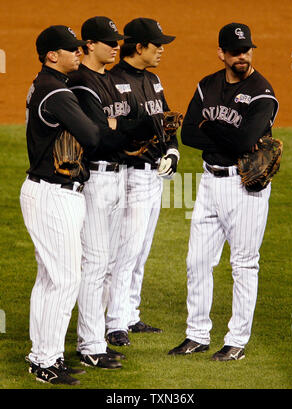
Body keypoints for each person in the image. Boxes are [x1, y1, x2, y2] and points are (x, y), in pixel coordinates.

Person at [168, 23, 279, 361]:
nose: (242, 56)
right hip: (208, 183)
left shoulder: (262, 93)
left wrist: (211, 126)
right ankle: (197, 334)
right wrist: (223, 134)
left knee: (244, 264)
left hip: (244, 186)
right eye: (234, 51)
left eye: (246, 50)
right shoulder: (207, 86)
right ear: (222, 53)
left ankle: (237, 341)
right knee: (196, 260)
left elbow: (245, 142)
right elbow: (188, 135)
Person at [20, 24, 120, 386]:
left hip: (48, 191)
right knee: (64, 279)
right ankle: (47, 359)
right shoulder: (56, 92)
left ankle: (41, 355)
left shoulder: (47, 85)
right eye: (72, 49)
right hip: (54, 194)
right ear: (52, 55)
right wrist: (104, 124)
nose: (79, 52)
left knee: (49, 279)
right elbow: (94, 136)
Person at [68, 16, 155, 364]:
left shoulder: (108, 80)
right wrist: (132, 129)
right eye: (109, 41)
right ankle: (89, 346)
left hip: (118, 177)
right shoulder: (82, 82)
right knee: (94, 264)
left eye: (117, 40)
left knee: (107, 261)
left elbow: (115, 127)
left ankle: (97, 335)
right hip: (95, 180)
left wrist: (121, 128)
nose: (116, 45)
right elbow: (99, 137)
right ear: (89, 45)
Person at [104, 17, 179, 346]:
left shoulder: (154, 80)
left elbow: (166, 121)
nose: (162, 50)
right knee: (126, 250)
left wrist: (173, 152)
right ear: (139, 47)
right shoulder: (113, 81)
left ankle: (130, 314)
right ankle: (114, 322)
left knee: (142, 250)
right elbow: (114, 133)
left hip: (154, 178)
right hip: (129, 177)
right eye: (157, 44)